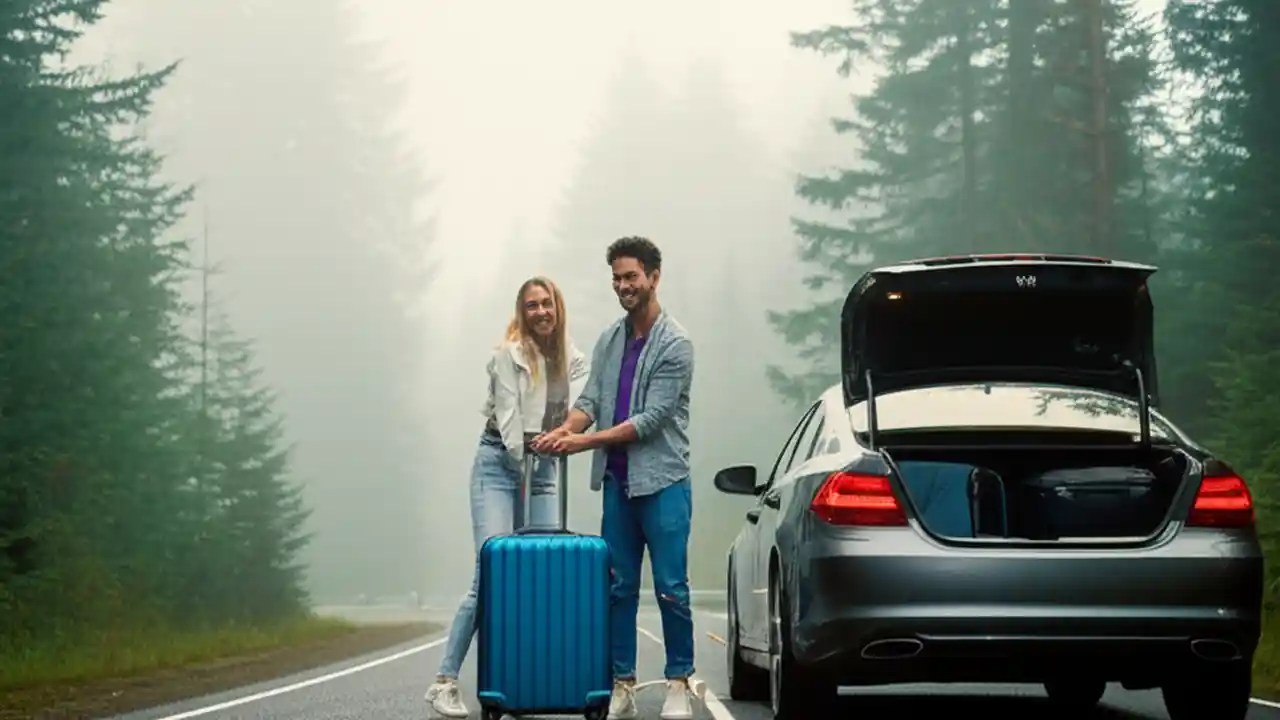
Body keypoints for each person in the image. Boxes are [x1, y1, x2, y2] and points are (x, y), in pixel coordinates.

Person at [533, 236, 697, 720]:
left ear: (653, 277)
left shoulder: (676, 344)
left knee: (671, 587)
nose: (623, 286)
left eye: (631, 276)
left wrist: (584, 442)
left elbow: (649, 420)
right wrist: (564, 430)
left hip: (664, 483)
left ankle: (678, 681)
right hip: (618, 486)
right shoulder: (609, 339)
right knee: (618, 587)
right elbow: (592, 402)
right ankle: (622, 682)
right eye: (617, 278)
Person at [425, 276, 588, 719]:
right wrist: (537, 456)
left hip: (542, 464)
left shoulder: (572, 359)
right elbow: (512, 424)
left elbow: (583, 407)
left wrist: (566, 439)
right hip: (500, 463)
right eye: (531, 305)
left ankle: (516, 684)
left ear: (558, 307)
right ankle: (444, 682)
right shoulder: (506, 356)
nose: (540, 312)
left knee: (532, 575)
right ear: (522, 312)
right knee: (493, 573)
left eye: (547, 303)